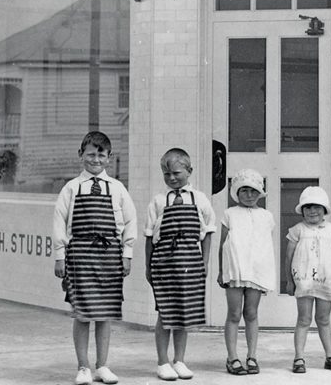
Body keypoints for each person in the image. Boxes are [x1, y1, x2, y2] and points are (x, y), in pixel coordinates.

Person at [53, 131, 137, 385]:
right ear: (81, 155)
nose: (96, 159)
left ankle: (102, 366)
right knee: (82, 313)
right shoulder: (71, 188)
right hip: (80, 257)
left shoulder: (118, 189)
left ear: (109, 158)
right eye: (91, 154)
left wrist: (127, 253)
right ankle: (83, 367)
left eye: (101, 155)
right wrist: (60, 256)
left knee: (104, 313)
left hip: (109, 256)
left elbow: (131, 222)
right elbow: (59, 223)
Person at [144, 148, 216, 381]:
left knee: (184, 313)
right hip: (163, 263)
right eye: (166, 174)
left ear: (189, 171)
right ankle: (162, 361)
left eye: (176, 173)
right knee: (165, 314)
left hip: (190, 262)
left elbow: (208, 234)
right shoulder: (158, 201)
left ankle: (180, 360)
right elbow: (148, 237)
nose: (172, 178)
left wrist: (204, 262)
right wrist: (148, 267)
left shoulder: (200, 199)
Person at [217, 168, 276, 376]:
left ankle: (252, 356)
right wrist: (221, 271)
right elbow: (223, 244)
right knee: (234, 313)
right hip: (235, 270)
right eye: (244, 191)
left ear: (259, 192)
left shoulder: (267, 216)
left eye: (253, 191)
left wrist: (265, 272)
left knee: (251, 313)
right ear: (236, 192)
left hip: (256, 271)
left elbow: (264, 246)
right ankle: (232, 357)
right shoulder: (229, 214)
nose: (249, 195)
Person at [285, 185, 331, 374]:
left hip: (326, 281)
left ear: (325, 209)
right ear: (302, 210)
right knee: (304, 319)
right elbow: (289, 256)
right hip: (304, 281)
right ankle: (299, 357)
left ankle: (330, 356)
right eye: (308, 207)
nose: (312, 211)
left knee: (324, 319)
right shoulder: (297, 230)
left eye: (317, 206)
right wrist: (289, 280)